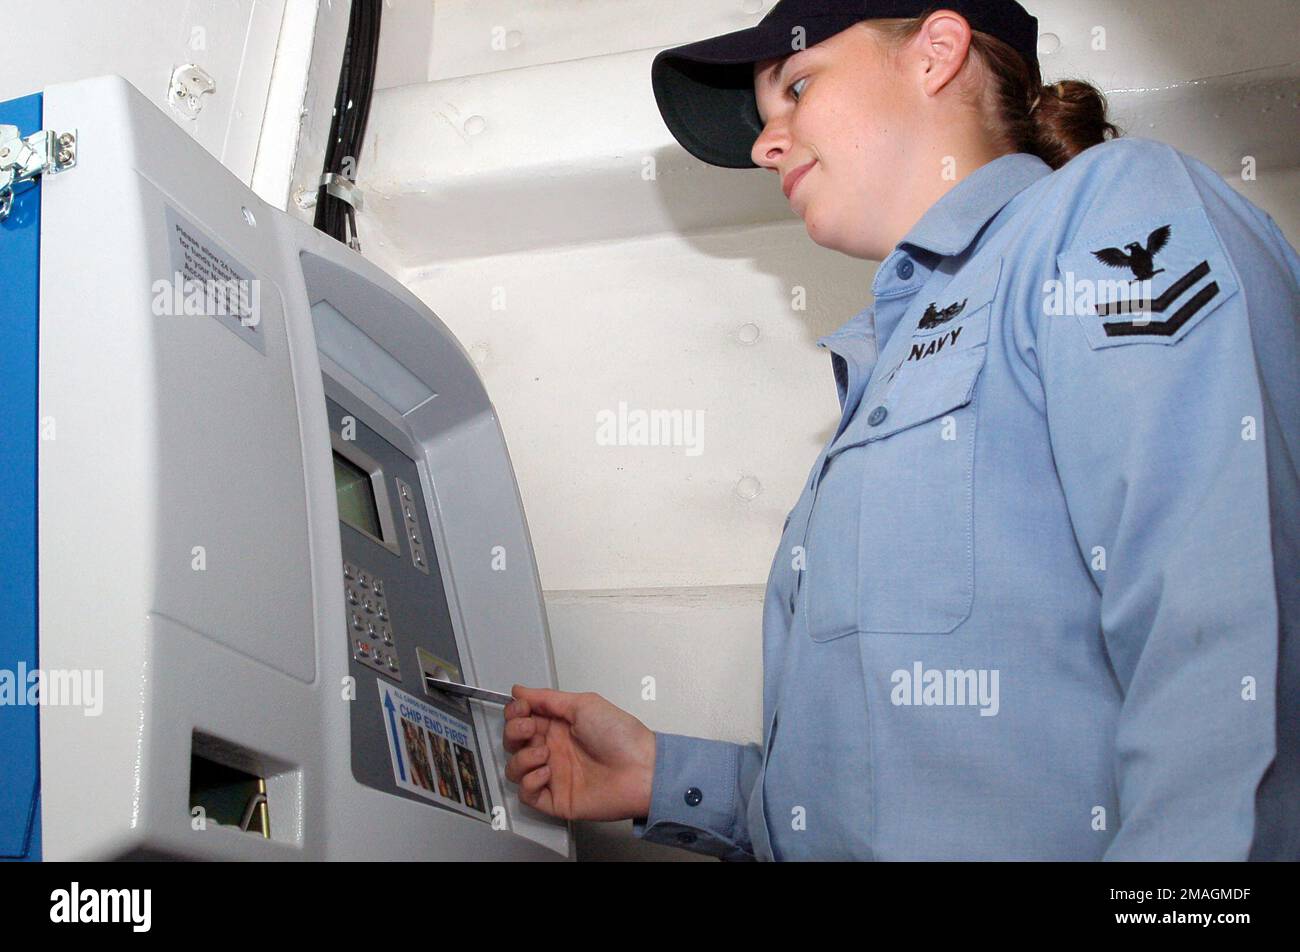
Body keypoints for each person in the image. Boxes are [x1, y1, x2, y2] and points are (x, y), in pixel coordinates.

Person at [503, 0, 1300, 860]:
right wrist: (667, 776)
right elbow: (914, 787)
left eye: (797, 87)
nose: (767, 144)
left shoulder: (1105, 214)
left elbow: (1235, 668)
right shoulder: (882, 364)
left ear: (937, 54)